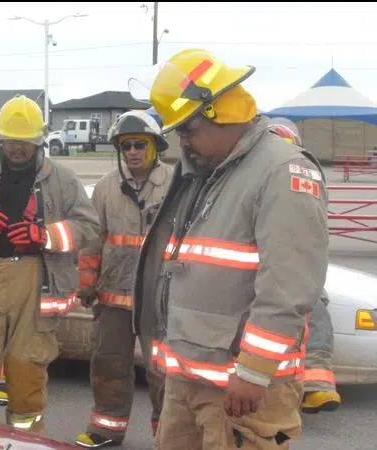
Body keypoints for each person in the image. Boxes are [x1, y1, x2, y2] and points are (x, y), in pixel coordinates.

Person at [133, 48, 328, 449]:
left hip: (242, 388)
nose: (182, 143)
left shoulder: (281, 171)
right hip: (187, 378)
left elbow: (288, 287)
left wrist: (255, 371)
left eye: (188, 130)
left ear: (217, 113)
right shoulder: (203, 168)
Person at [0, 94, 100, 433]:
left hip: (35, 282)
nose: (18, 148)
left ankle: (24, 442)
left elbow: (90, 228)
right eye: (12, 140)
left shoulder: (62, 180)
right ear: (0, 140)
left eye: (25, 141)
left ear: (38, 141)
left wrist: (43, 235)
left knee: (27, 374)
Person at [75, 110, 173, 448]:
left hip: (159, 300)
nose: (132, 152)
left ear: (155, 147)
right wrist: (87, 282)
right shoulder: (105, 188)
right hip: (113, 298)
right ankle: (107, 429)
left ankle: (169, 437)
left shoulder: (175, 185)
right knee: (108, 365)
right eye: (126, 146)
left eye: (139, 145)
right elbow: (91, 239)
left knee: (164, 373)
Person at [266, 119, 342, 414]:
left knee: (315, 308)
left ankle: (316, 383)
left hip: (292, 265)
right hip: (262, 268)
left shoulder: (303, 178)